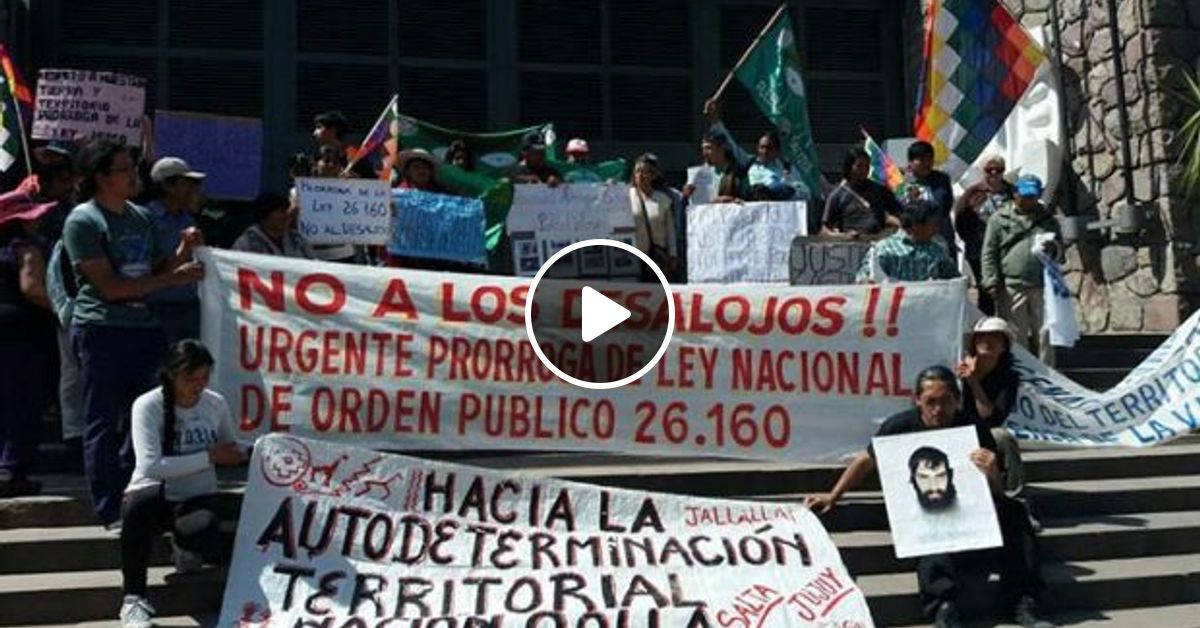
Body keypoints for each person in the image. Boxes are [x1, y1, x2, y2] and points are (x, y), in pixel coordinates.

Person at [805, 366, 1054, 628]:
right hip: (923, 513)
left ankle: (1023, 602)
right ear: (917, 401)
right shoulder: (899, 426)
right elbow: (867, 460)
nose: (938, 410)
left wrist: (992, 472)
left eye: (946, 401)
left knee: (1014, 511)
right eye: (930, 402)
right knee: (927, 517)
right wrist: (834, 495)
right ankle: (943, 607)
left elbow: (995, 493)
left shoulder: (972, 427)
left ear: (957, 400)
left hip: (968, 508)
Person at [62, 139, 204, 528]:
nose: (133, 176)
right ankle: (109, 506)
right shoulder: (84, 221)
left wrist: (181, 251)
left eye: (132, 168)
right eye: (124, 170)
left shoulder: (140, 217)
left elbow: (153, 266)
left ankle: (137, 493)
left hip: (143, 328)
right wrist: (171, 278)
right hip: (102, 329)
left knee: (148, 416)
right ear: (101, 178)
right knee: (103, 420)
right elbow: (111, 287)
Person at [118, 340, 244, 628]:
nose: (197, 386)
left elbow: (230, 445)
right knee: (135, 513)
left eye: (203, 377)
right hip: (153, 492)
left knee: (204, 531)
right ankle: (133, 598)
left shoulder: (215, 403)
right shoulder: (147, 405)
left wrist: (245, 452)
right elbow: (151, 465)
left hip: (196, 495)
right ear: (171, 375)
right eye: (190, 379)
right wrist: (209, 456)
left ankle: (185, 547)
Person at [0, 195, 59, 497]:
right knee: (23, 402)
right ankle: (12, 471)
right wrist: (62, 309)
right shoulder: (27, 248)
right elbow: (32, 287)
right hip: (23, 333)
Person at [981, 175, 1062, 366]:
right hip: (1012, 285)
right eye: (1024, 195)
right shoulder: (999, 219)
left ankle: (1048, 376)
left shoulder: (1048, 219)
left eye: (1032, 196)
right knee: (1017, 335)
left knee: (1046, 332)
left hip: (1041, 284)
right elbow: (989, 251)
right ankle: (1023, 375)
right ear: (1015, 193)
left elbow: (1060, 251)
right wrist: (990, 280)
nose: (1028, 200)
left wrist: (1053, 248)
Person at [958, 317, 1027, 502]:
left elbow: (991, 417)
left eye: (995, 338)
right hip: (954, 429)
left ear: (1004, 346)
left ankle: (1016, 500)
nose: (987, 341)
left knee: (1004, 438)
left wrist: (973, 384)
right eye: (982, 337)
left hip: (983, 430)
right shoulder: (957, 366)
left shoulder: (1009, 378)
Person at [146, 157, 206, 345]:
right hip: (160, 307)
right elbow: (150, 269)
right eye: (186, 183)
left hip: (189, 305)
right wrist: (183, 250)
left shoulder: (188, 220)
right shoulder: (146, 219)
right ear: (168, 186)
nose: (192, 189)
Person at [703, 99, 811, 202]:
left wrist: (782, 190)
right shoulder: (749, 163)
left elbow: (806, 194)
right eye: (761, 147)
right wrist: (714, 119)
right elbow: (731, 144)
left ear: (777, 151)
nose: (764, 151)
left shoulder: (787, 168)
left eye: (769, 148)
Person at [956, 155, 1015, 315]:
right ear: (983, 171)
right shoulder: (973, 193)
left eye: (999, 169)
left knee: (1007, 290)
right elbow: (960, 218)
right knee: (986, 290)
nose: (994, 173)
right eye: (990, 169)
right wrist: (970, 239)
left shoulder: (1012, 192)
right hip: (979, 250)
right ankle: (987, 329)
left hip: (1007, 249)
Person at [856, 200, 960, 283]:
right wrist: (867, 282)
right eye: (933, 225)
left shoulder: (937, 251)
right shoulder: (883, 250)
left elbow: (954, 279)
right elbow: (863, 279)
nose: (937, 229)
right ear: (916, 225)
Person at [821, 147, 902, 240]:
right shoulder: (837, 195)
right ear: (849, 167)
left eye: (867, 167)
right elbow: (824, 231)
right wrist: (844, 236)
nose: (864, 170)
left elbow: (898, 214)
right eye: (859, 166)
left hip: (879, 246)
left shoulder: (880, 190)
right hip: (850, 249)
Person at [306, 144, 360, 264]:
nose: (331, 165)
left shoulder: (352, 189)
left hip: (346, 255)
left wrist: (358, 188)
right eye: (326, 161)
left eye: (335, 162)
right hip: (315, 257)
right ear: (316, 163)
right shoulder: (301, 192)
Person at [629, 155, 678, 281]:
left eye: (645, 172)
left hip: (656, 258)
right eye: (637, 171)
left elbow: (670, 230)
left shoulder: (663, 199)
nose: (641, 175)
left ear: (653, 176)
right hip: (632, 258)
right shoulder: (625, 196)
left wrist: (673, 255)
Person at [904, 141, 956, 255]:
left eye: (930, 159)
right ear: (911, 162)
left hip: (942, 236)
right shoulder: (902, 183)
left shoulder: (942, 179)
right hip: (915, 239)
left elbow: (946, 205)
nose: (927, 163)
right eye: (922, 160)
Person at [232, 193, 315, 259]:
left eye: (284, 211)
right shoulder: (246, 244)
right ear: (263, 216)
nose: (284, 216)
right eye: (278, 212)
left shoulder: (298, 241)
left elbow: (312, 264)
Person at [682, 131, 749, 204]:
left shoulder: (739, 173)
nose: (704, 153)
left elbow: (748, 203)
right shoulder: (699, 174)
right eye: (703, 149)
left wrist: (731, 200)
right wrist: (686, 194)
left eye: (708, 148)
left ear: (721, 148)